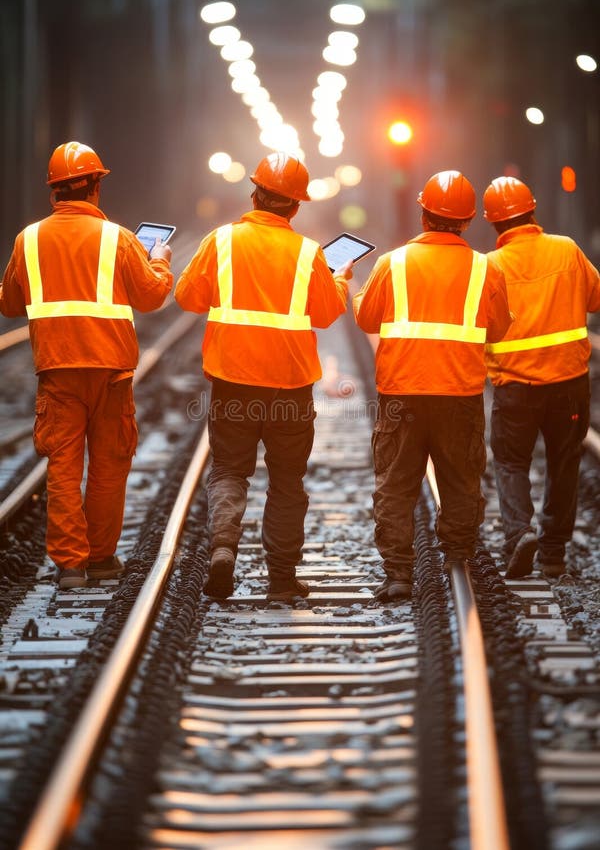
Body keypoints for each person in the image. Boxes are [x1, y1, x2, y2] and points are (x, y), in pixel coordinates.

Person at [175, 151, 351, 602]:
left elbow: (187, 298)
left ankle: (223, 548)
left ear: (254, 194)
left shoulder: (221, 241)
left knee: (229, 470)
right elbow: (326, 313)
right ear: (296, 206)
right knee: (287, 481)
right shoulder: (309, 253)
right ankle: (282, 580)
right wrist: (340, 280)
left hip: (233, 380)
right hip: (290, 386)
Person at [0, 140, 173, 589]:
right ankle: (101, 557)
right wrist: (159, 263)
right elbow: (151, 297)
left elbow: (10, 304)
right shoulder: (118, 238)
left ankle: (70, 565)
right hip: (111, 371)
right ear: (96, 186)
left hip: (57, 369)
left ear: (53, 191)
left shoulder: (28, 240)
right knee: (109, 464)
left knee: (62, 466)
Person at [353, 170, 512, 602]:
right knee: (461, 479)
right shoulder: (485, 267)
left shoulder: (392, 263)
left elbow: (366, 319)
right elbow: (499, 330)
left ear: (423, 215)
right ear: (467, 221)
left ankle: (398, 574)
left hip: (401, 393)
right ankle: (457, 556)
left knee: (396, 483)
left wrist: (358, 295)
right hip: (459, 394)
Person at [483, 176, 600, 579]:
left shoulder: (490, 265)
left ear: (493, 222)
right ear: (532, 211)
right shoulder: (566, 249)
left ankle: (519, 533)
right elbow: (595, 298)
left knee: (510, 462)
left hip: (515, 386)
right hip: (569, 382)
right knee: (564, 462)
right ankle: (553, 554)